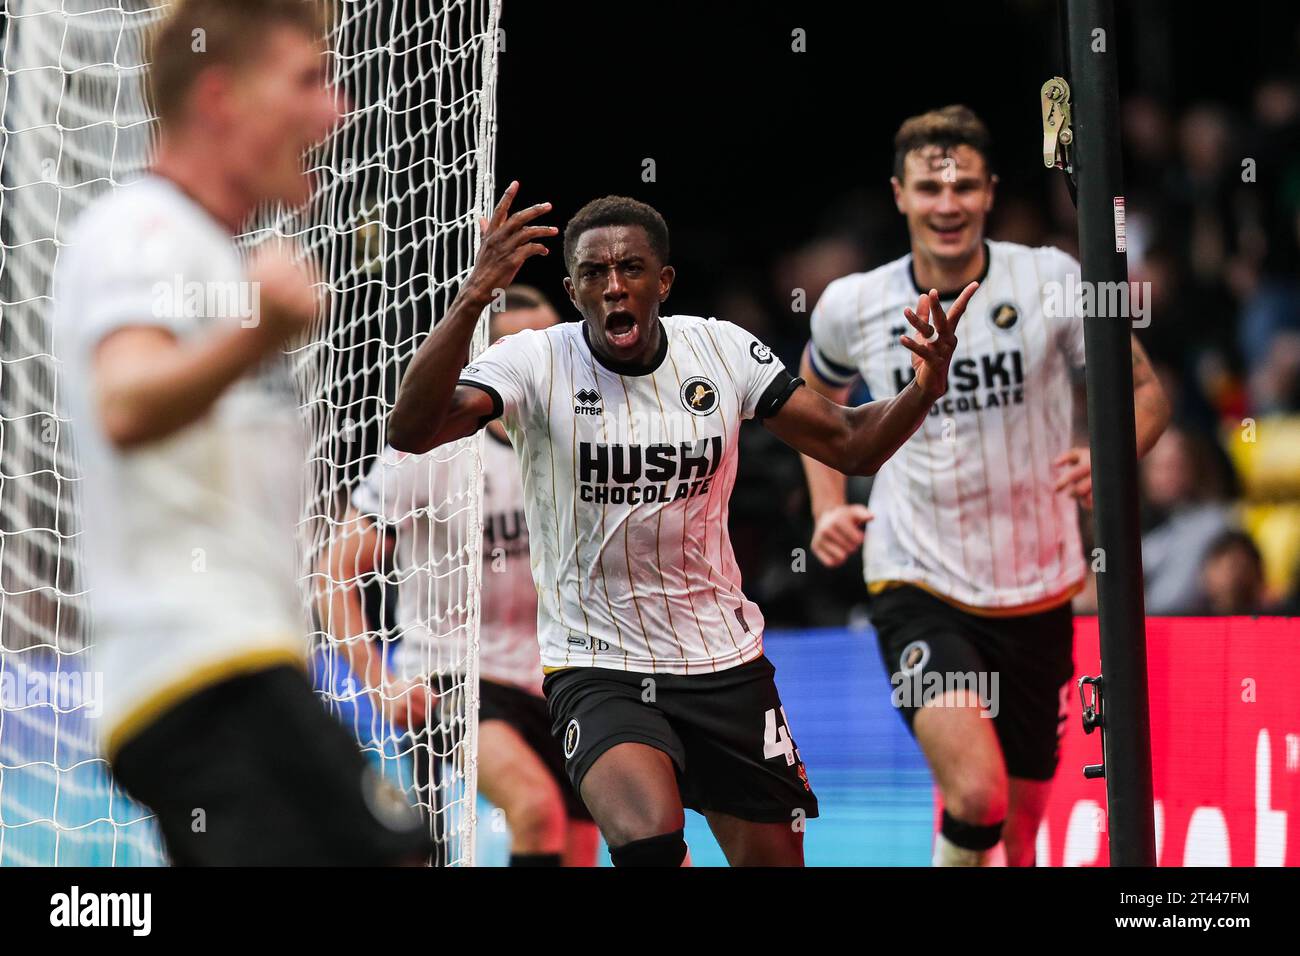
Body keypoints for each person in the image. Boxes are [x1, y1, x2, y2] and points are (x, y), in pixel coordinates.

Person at [387, 185, 979, 866]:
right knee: (649, 848)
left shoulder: (722, 351)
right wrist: (471, 298)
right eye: (593, 274)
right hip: (597, 664)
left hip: (723, 660)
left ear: (663, 281)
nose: (613, 286)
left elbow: (851, 442)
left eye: (631, 269)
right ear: (573, 290)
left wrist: (923, 390)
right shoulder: (534, 360)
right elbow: (412, 430)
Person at [52, 0, 428, 865]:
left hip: (231, 672)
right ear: (221, 99)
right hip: (201, 675)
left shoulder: (212, 251)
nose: (334, 112)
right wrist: (257, 333)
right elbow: (126, 401)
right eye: (307, 81)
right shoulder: (144, 231)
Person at [800, 105, 1171, 866]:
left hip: (1037, 588)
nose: (948, 205)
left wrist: (1110, 453)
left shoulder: (1051, 279)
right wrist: (828, 503)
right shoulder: (852, 303)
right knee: (977, 796)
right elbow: (814, 395)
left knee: (1022, 830)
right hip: (916, 579)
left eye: (964, 186)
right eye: (930, 189)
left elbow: (1147, 392)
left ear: (990, 191)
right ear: (899, 195)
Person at [317, 285, 599, 866]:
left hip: (562, 673)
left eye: (544, 347)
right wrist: (380, 683)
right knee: (535, 809)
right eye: (511, 349)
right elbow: (333, 574)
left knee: (579, 842)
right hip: (452, 676)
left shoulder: (583, 444)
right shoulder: (428, 454)